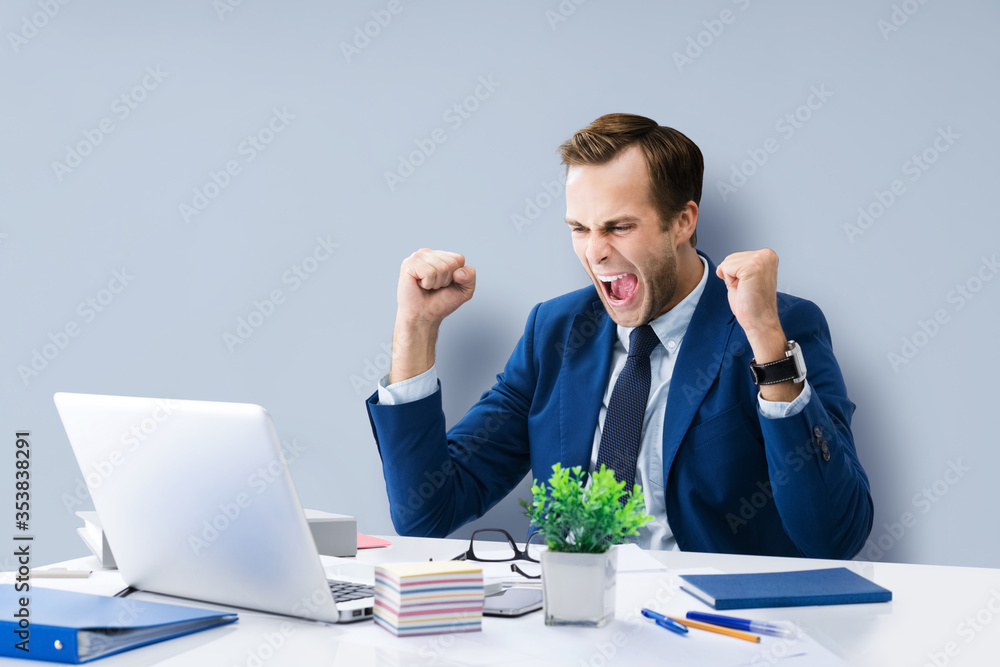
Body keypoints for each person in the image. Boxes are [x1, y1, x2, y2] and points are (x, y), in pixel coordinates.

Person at [365, 113, 873, 559]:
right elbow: (426, 512)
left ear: (682, 221)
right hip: (567, 609)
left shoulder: (778, 328)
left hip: (705, 621)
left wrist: (766, 342)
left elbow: (834, 536)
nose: (595, 252)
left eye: (618, 227)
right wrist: (415, 329)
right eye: (579, 228)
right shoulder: (555, 332)